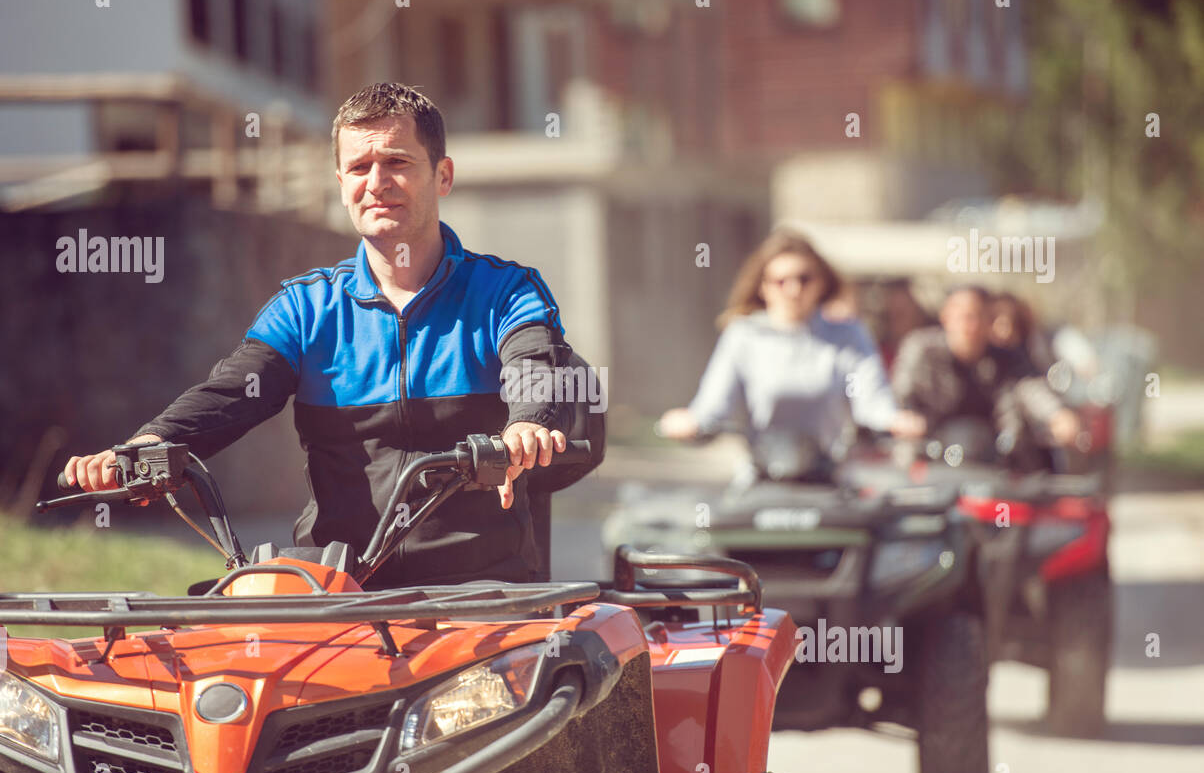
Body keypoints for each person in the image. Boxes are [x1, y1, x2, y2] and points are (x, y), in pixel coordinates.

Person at [62, 83, 597, 589]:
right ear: (341, 183)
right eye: (359, 166)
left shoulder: (504, 290)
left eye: (397, 163)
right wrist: (149, 444)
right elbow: (231, 391)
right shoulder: (304, 307)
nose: (377, 182)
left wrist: (527, 424)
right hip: (338, 590)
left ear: (443, 176)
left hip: (480, 589)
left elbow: (535, 364)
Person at [657, 230, 926, 462]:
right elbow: (713, 406)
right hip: (763, 474)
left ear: (821, 283)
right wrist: (691, 421)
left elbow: (872, 401)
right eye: (781, 281)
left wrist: (894, 420)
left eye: (804, 279)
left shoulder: (848, 336)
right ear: (764, 286)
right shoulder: (743, 336)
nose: (794, 290)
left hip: (828, 476)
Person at [891, 285, 1081, 461]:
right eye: (963, 317)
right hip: (929, 456)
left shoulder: (1003, 359)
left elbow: (1029, 387)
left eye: (977, 317)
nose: (970, 327)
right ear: (946, 317)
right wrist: (905, 418)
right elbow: (899, 395)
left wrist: (1057, 414)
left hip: (991, 462)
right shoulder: (921, 351)